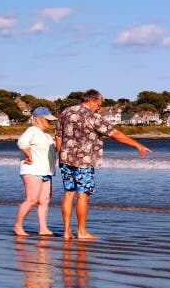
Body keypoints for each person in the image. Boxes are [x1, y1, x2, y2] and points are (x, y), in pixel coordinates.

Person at [55, 89, 152, 239]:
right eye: (99, 105)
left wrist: (61, 155)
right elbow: (115, 134)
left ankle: (67, 232)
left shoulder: (66, 112)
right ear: (91, 101)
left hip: (66, 158)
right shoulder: (91, 116)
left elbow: (58, 137)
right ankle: (82, 232)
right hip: (84, 160)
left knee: (68, 194)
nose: (99, 108)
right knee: (83, 195)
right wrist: (137, 145)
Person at [14, 107, 58, 237]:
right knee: (32, 200)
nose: (49, 123)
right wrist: (29, 156)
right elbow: (21, 142)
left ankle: (43, 228)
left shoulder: (47, 136)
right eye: (47, 120)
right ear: (39, 120)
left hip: (46, 171)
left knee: (44, 200)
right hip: (32, 170)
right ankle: (18, 226)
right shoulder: (32, 130)